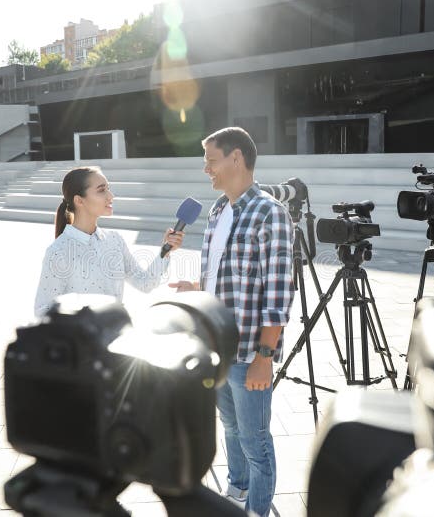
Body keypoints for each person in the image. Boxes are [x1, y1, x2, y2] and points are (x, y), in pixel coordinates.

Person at [170, 127, 294, 517]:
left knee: (255, 439)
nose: (206, 168)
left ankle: (258, 510)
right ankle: (237, 492)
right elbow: (225, 273)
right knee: (231, 428)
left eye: (211, 159)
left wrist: (265, 356)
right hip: (216, 343)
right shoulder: (219, 209)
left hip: (248, 351)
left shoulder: (270, 213)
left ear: (236, 158)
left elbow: (277, 293)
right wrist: (198, 285)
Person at [34, 166, 183, 317]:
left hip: (116, 335)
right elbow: (43, 311)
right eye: (101, 190)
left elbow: (145, 283)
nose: (111, 196)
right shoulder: (59, 251)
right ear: (79, 200)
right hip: (83, 339)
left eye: (108, 189)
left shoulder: (114, 240)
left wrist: (166, 251)